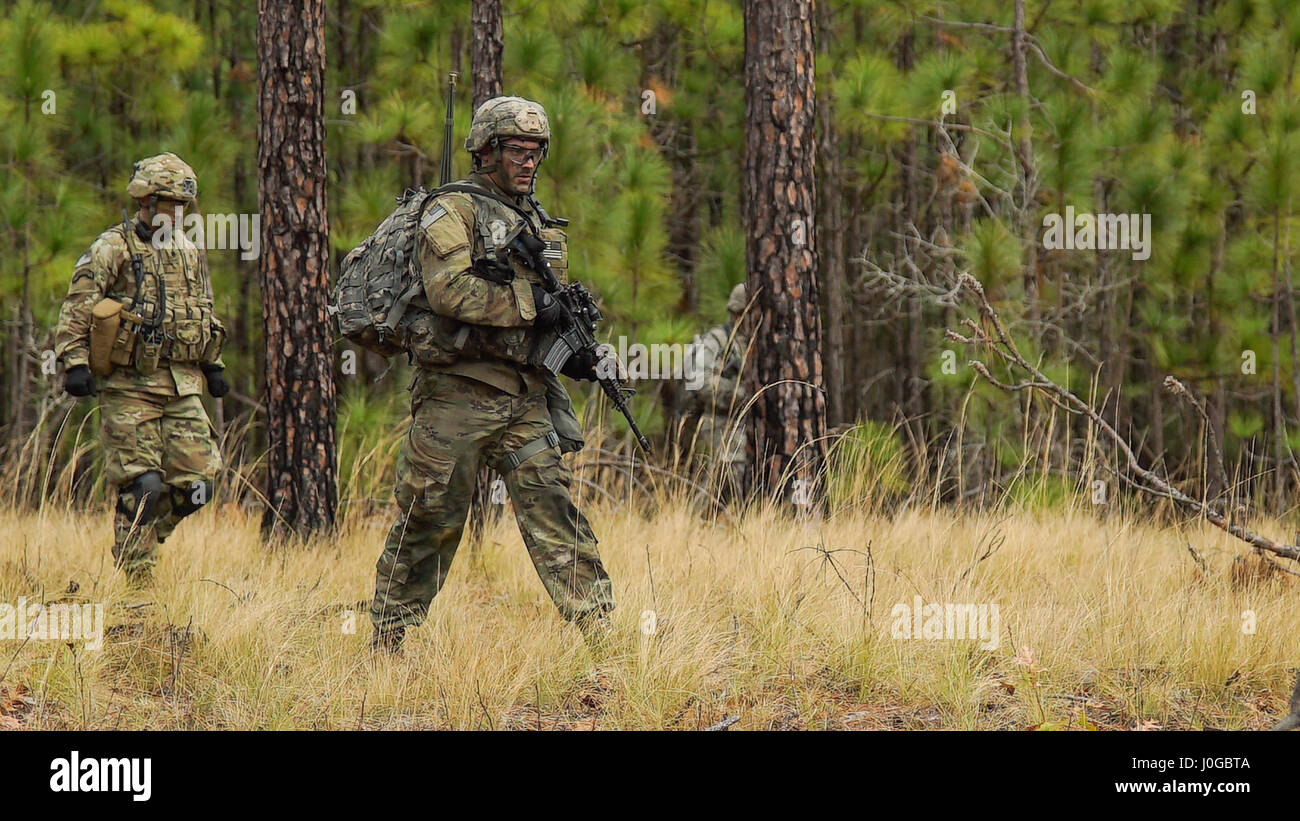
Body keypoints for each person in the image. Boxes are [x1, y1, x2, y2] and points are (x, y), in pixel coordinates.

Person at [369, 96, 614, 654]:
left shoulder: (538, 221)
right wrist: (532, 305)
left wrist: (573, 353)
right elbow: (449, 292)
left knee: (552, 505)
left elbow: (543, 313)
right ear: (485, 151)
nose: (529, 163)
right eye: (517, 151)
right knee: (431, 517)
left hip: (524, 396)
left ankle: (599, 636)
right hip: (456, 394)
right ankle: (388, 637)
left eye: (536, 153)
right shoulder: (450, 210)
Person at [54, 153, 228, 586]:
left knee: (199, 484)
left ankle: (143, 536)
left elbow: (200, 312)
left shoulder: (189, 251)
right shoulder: (112, 248)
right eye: (169, 204)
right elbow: (77, 308)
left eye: (182, 206)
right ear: (146, 201)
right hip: (129, 386)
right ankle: (137, 582)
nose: (177, 213)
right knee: (143, 485)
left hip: (181, 384)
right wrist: (74, 363)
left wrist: (213, 364)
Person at [686, 282, 751, 503]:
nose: (738, 319)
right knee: (728, 473)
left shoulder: (764, 339)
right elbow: (700, 380)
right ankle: (692, 526)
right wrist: (742, 394)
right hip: (721, 423)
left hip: (753, 425)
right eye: (737, 314)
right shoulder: (716, 340)